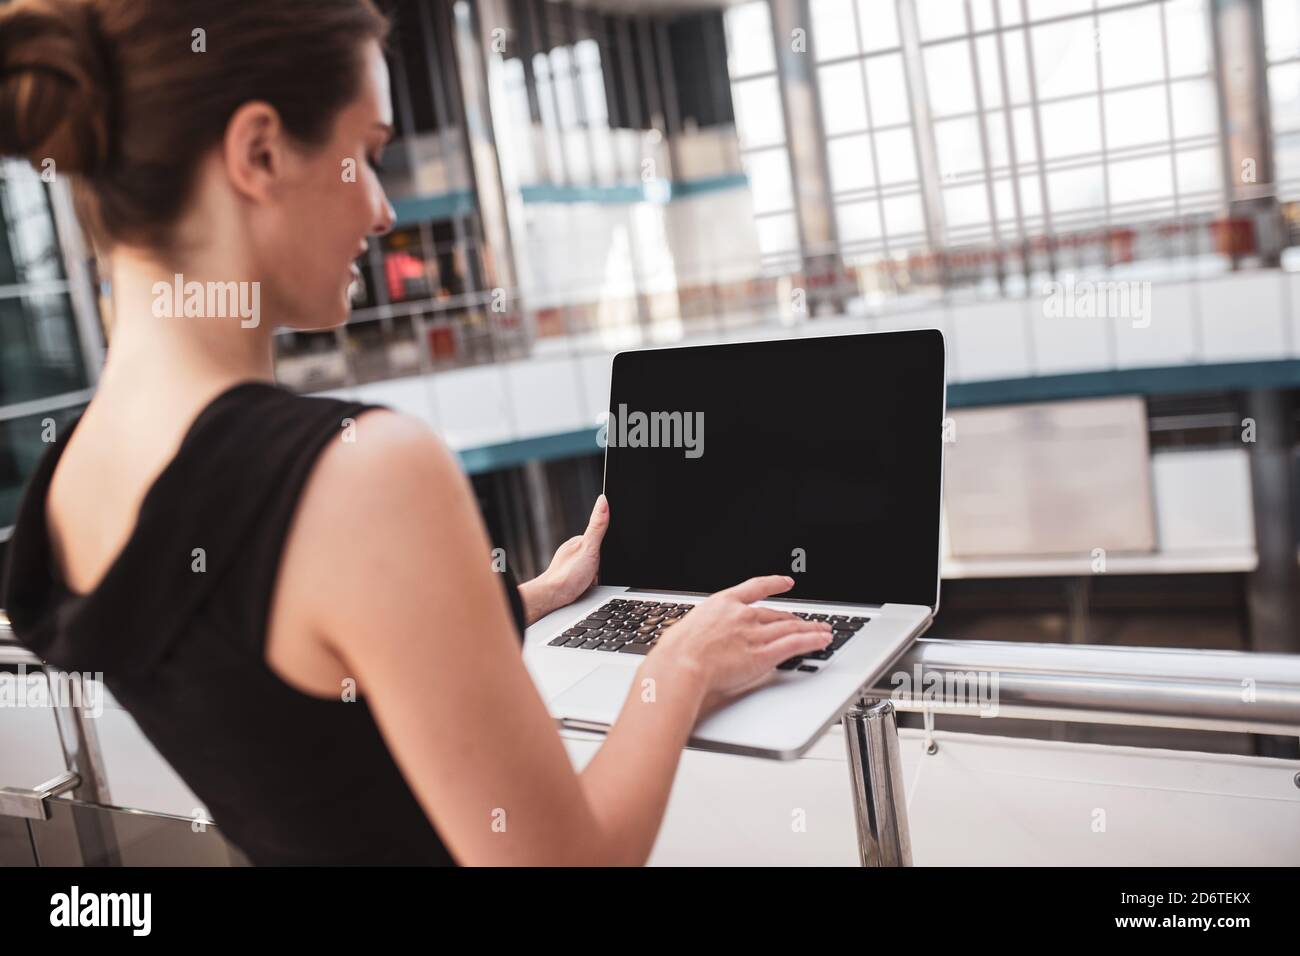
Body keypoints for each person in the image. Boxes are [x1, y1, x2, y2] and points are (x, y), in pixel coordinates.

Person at [0, 0, 834, 865]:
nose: (385, 208)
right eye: (365, 152)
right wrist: (679, 666)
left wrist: (531, 598)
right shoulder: (361, 474)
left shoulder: (72, 477)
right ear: (259, 152)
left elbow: (292, 682)